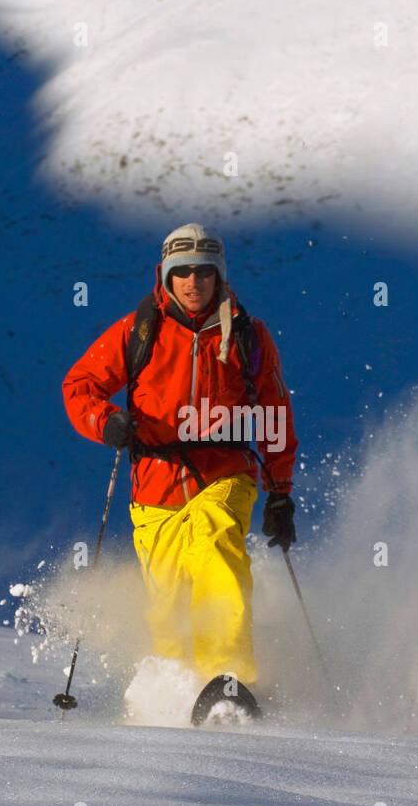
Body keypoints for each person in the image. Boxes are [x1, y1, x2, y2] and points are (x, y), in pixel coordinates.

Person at [63, 223, 298, 700]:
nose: (194, 282)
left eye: (204, 272)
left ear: (219, 276)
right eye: (183, 272)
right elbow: (79, 385)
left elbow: (273, 412)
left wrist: (279, 493)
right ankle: (176, 693)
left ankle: (229, 681)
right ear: (166, 276)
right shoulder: (137, 330)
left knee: (216, 552)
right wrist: (104, 420)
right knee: (166, 600)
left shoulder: (248, 334)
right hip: (154, 483)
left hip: (224, 470)